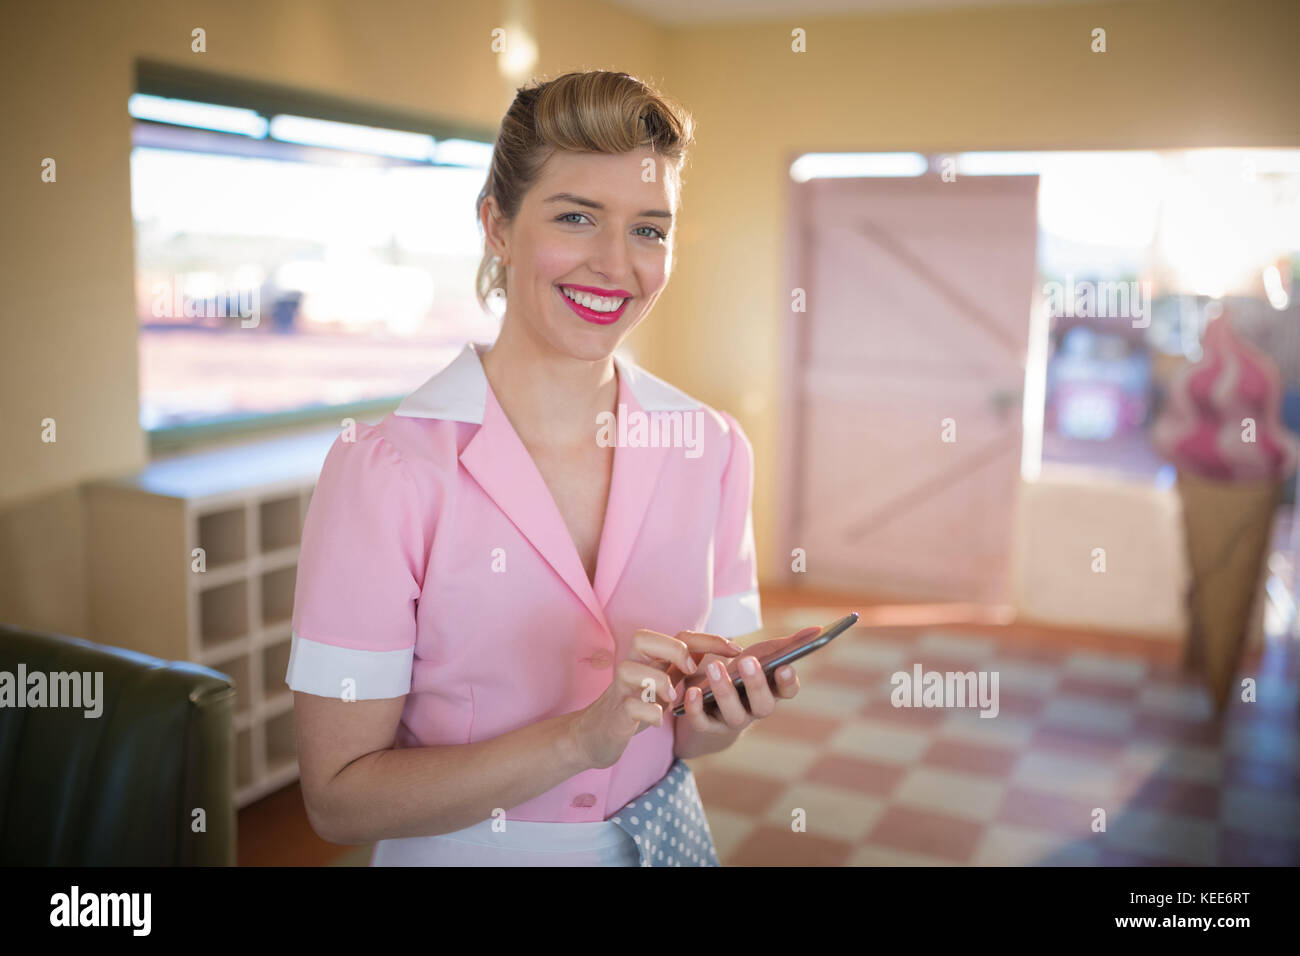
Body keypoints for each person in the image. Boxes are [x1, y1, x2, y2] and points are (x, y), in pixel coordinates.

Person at [286, 69, 810, 866]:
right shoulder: (386, 471)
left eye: (649, 230)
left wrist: (718, 720)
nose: (615, 264)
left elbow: (692, 740)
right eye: (576, 217)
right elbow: (338, 799)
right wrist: (579, 739)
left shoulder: (713, 448)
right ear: (497, 225)